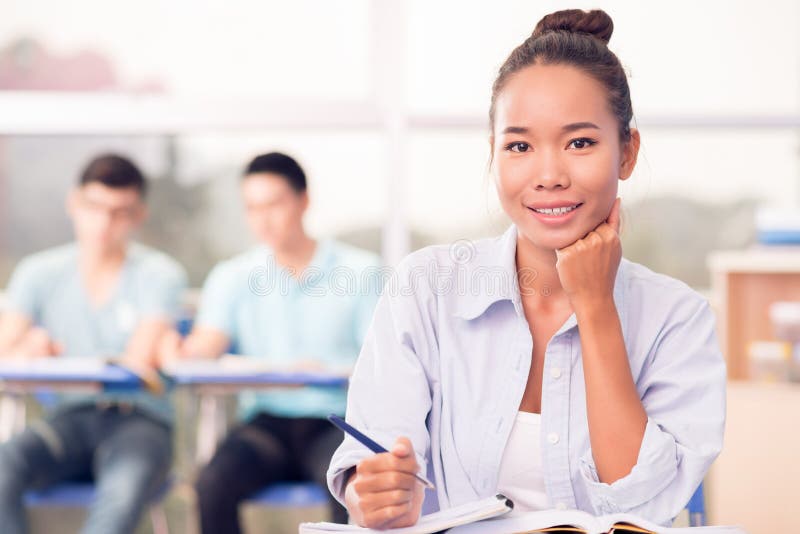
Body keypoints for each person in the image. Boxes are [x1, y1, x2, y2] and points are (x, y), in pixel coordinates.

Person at [327, 9, 726, 529]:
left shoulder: (678, 318)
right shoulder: (425, 289)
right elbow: (373, 462)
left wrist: (597, 306)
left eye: (580, 142)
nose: (549, 175)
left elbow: (639, 511)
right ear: (493, 154)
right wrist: (373, 493)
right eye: (519, 146)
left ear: (627, 152)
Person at [159, 152, 381, 533]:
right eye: (252, 207)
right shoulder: (232, 277)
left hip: (336, 422)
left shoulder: (362, 273)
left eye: (274, 204)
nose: (263, 219)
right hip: (266, 426)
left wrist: (327, 371)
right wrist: (175, 350)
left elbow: (383, 363)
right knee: (210, 485)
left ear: (303, 201)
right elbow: (205, 347)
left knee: (354, 488)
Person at [0, 154, 187, 534]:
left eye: (119, 212)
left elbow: (139, 360)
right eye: (95, 208)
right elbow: (5, 348)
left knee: (119, 498)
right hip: (70, 420)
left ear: (139, 215)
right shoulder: (38, 274)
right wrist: (28, 349)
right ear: (74, 203)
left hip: (139, 421)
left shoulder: (160, 275)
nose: (104, 223)